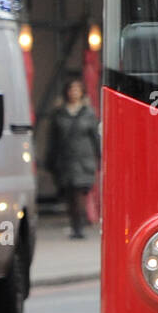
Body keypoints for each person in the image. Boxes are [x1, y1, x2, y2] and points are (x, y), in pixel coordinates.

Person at [46, 77, 99, 239]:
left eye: (77, 89)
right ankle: (75, 223)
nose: (74, 93)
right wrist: (50, 159)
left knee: (79, 192)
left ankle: (79, 226)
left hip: (84, 159)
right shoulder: (59, 113)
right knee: (69, 194)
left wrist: (100, 156)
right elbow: (53, 138)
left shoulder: (88, 113)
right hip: (65, 159)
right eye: (71, 89)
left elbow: (95, 137)